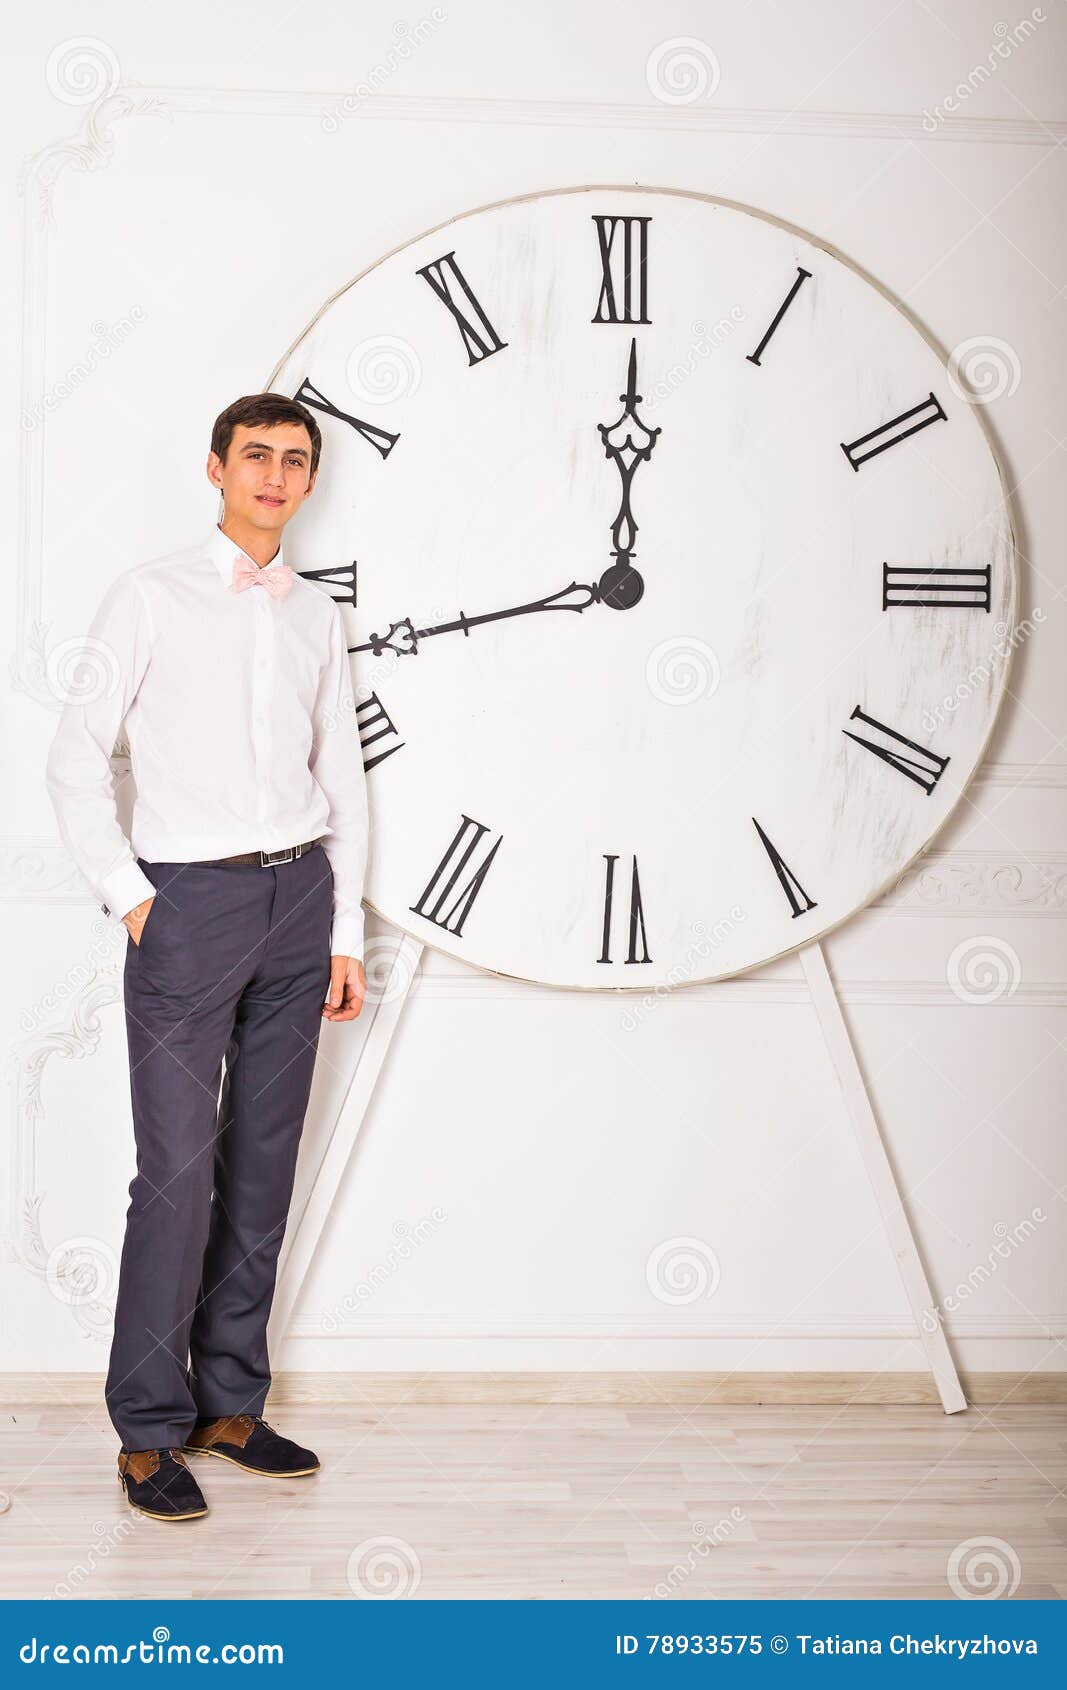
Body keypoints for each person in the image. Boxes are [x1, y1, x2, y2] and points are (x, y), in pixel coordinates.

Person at [45, 392, 369, 1523]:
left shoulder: (317, 613)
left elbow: (348, 777)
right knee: (176, 1176)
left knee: (262, 1167)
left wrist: (344, 930)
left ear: (310, 480)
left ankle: (228, 1404)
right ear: (217, 469)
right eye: (256, 457)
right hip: (187, 902)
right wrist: (136, 902)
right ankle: (146, 1429)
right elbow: (73, 759)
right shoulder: (147, 595)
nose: (274, 475)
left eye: (294, 460)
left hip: (299, 898)